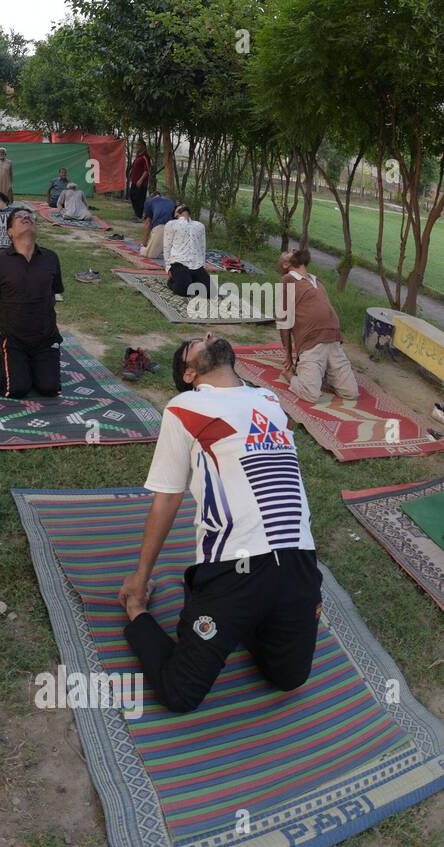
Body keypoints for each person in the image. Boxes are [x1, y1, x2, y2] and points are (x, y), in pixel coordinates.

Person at [117, 332, 320, 713]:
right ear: (190, 374)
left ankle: (242, 619)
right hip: (233, 565)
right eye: (195, 342)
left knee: (289, 677)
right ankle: (137, 612)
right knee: (180, 694)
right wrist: (140, 579)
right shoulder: (185, 407)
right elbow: (168, 497)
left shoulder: (268, 399)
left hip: (298, 558)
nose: (209, 334)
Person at [0, 206, 64, 399]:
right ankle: (9, 362)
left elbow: (53, 297)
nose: (26, 217)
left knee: (50, 388)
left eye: (30, 217)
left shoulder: (51, 258)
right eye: (19, 217)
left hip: (45, 338)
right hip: (13, 339)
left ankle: (33, 363)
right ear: (10, 232)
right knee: (17, 390)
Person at [276, 247, 359, 404]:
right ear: (286, 265)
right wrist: (288, 354)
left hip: (334, 341)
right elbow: (282, 319)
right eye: (287, 252)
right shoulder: (288, 280)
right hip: (311, 342)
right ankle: (292, 377)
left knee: (351, 393)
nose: (292, 248)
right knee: (311, 394)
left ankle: (323, 374)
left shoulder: (317, 280)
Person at [163, 203, 211, 297]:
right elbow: (167, 246)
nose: (183, 206)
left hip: (196, 264)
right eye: (179, 207)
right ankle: (173, 282)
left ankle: (190, 281)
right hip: (179, 262)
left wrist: (202, 266)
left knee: (209, 292)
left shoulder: (200, 226)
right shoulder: (171, 224)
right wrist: (168, 268)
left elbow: (202, 247)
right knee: (183, 290)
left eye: (184, 205)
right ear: (175, 214)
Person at [141, 187, 175, 252]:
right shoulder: (170, 202)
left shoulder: (149, 202)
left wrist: (144, 243)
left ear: (151, 196)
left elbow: (148, 224)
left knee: (150, 251)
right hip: (172, 228)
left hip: (159, 226)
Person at [129, 140, 151, 220]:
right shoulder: (138, 156)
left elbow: (147, 170)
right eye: (136, 145)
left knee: (139, 199)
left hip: (141, 183)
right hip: (134, 181)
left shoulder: (145, 156)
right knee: (132, 196)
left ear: (143, 146)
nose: (137, 146)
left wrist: (141, 180)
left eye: (139, 145)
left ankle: (139, 215)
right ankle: (137, 214)